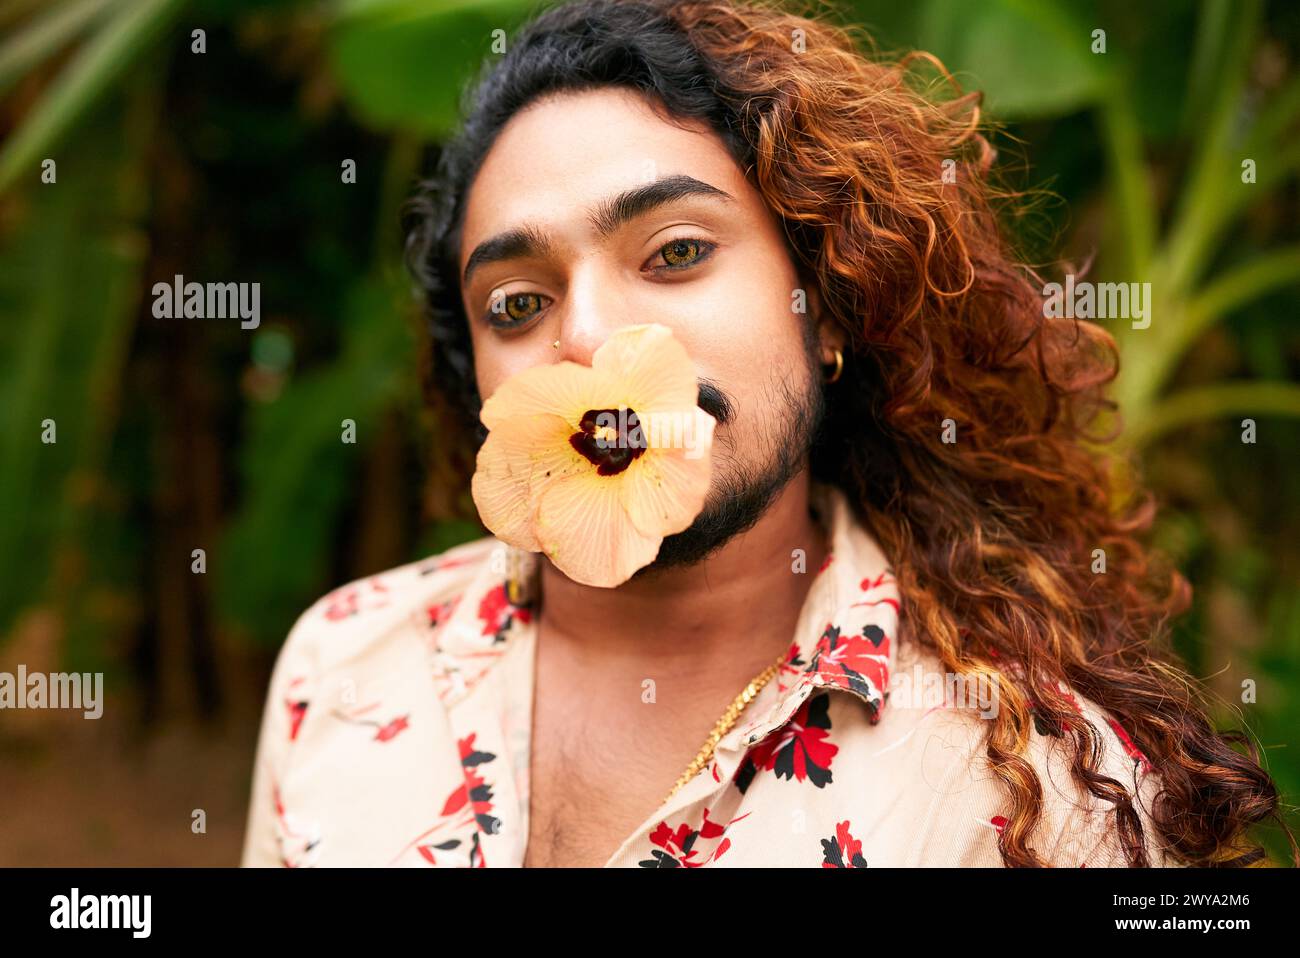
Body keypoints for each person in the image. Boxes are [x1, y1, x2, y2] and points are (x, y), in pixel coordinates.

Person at [240, 0, 1292, 867]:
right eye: (516, 305)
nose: (590, 335)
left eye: (676, 251)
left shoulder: (1040, 786)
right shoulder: (342, 662)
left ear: (824, 305)